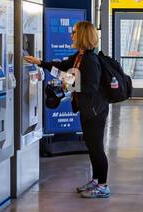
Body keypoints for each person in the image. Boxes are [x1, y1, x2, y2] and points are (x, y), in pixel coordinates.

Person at [24, 21, 111, 198]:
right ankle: (95, 180)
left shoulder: (90, 60)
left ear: (83, 35)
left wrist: (70, 83)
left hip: (95, 111)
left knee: (96, 148)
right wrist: (39, 62)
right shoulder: (79, 56)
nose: (71, 35)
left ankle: (103, 185)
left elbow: (90, 88)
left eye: (74, 32)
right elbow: (62, 66)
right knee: (90, 145)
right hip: (87, 109)